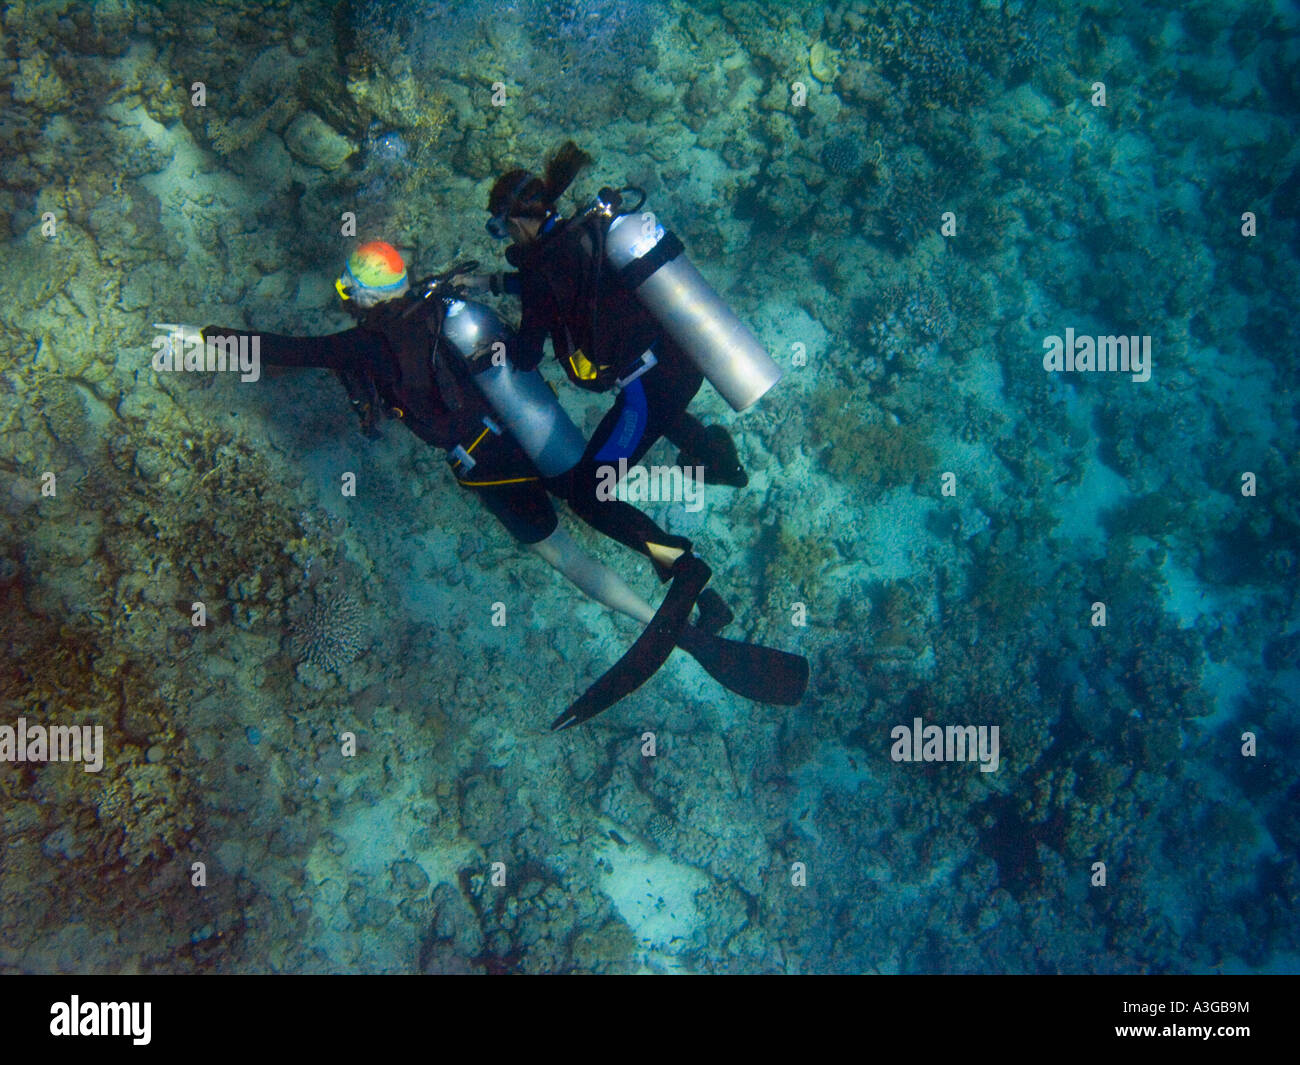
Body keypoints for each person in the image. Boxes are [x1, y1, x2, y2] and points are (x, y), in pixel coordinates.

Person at [174, 242, 806, 725]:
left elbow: (292, 350)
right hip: (534, 433)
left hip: (487, 463)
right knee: (595, 506)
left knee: (562, 553)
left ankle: (685, 635)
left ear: (363, 298)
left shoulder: (367, 346)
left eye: (348, 290)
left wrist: (204, 340)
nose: (343, 298)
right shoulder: (444, 308)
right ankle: (680, 566)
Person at [474, 143, 751, 528]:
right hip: (683, 363)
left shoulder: (542, 271)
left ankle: (680, 564)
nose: (507, 236)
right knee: (664, 416)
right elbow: (567, 286)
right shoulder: (589, 232)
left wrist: (492, 349)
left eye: (501, 227)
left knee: (587, 496)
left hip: (646, 387)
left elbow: (527, 356)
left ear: (516, 222)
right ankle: (726, 466)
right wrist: (489, 283)